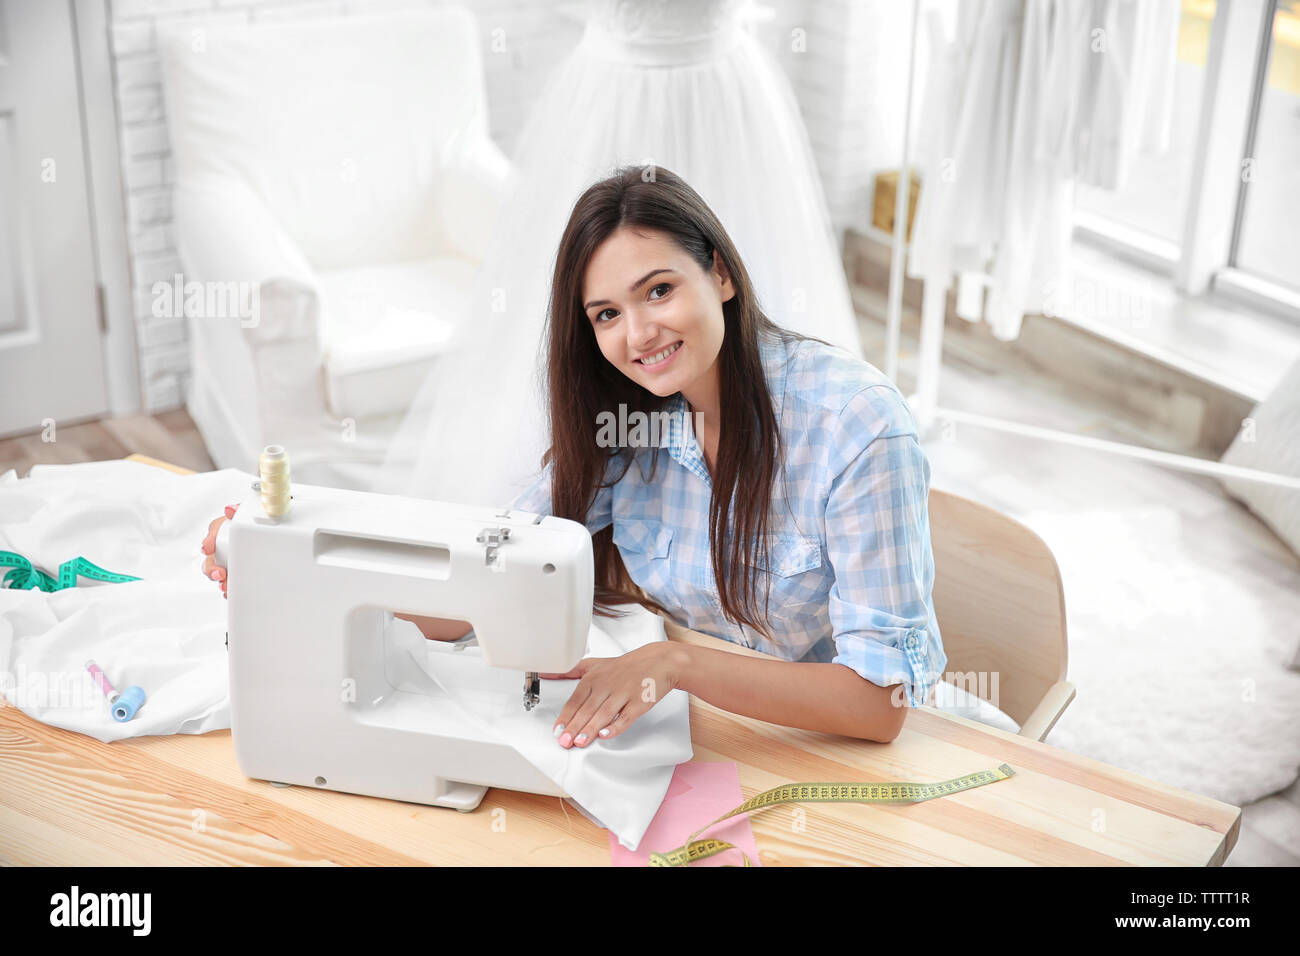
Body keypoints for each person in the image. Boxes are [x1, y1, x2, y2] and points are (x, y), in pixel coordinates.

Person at [201, 165, 947, 750]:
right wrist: (299, 557)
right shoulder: (624, 420)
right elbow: (476, 588)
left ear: (719, 274)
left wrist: (673, 668)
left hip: (834, 750)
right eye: (607, 315)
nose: (639, 335)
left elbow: (880, 706)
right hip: (713, 736)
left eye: (658, 290)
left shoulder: (856, 425)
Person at [374, 0, 862, 508]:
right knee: (602, 274)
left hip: (720, 94)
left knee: (729, 279)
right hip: (613, 95)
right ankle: (625, 481)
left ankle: (755, 465)